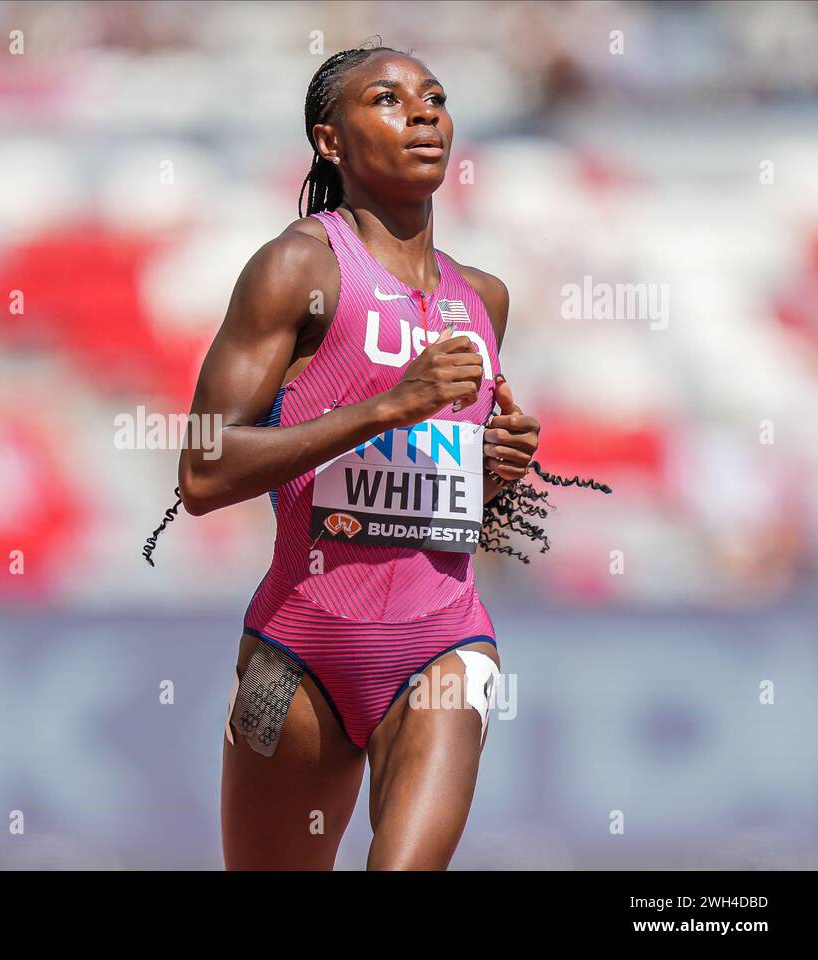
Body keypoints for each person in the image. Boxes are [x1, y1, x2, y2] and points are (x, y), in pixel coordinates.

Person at [145, 40, 607, 869]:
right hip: (293, 654)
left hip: (444, 641)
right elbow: (204, 472)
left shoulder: (483, 297)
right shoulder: (297, 268)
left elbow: (450, 496)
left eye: (433, 97)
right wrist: (389, 405)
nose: (422, 112)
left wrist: (495, 469)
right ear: (331, 141)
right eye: (387, 100)